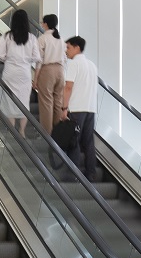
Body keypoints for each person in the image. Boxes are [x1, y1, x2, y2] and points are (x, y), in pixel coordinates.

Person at [0, 8, 42, 136]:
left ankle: (12, 131)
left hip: (10, 72)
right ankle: (22, 131)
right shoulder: (32, 38)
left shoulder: (7, 36)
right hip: (25, 73)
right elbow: (37, 58)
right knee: (24, 102)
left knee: (10, 102)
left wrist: (8, 59)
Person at [60, 37, 100, 175]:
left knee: (74, 142)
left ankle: (73, 174)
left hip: (76, 109)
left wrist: (64, 108)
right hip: (91, 109)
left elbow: (68, 87)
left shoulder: (74, 64)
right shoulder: (92, 65)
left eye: (68, 47)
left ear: (77, 48)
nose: (66, 51)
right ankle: (91, 173)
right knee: (88, 142)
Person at [33, 14, 67, 137]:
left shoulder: (42, 39)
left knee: (46, 103)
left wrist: (35, 79)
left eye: (43, 22)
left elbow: (39, 60)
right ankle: (57, 135)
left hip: (48, 71)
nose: (42, 24)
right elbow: (65, 58)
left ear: (46, 24)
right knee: (58, 103)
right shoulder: (61, 39)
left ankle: (46, 135)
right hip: (60, 71)